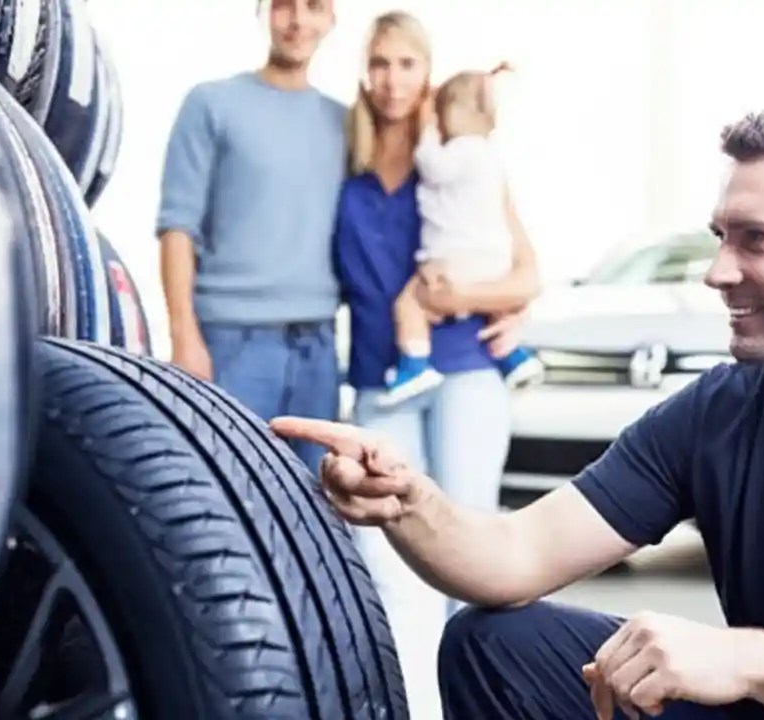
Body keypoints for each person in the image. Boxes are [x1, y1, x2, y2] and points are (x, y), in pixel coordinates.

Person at [273, 97, 764, 720]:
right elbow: (515, 555)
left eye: (756, 240)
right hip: (761, 710)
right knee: (494, 642)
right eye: (720, 235)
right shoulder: (718, 411)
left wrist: (746, 660)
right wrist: (411, 503)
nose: (718, 271)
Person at [328, 10, 541, 717]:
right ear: (365, 70)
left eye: (406, 64)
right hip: (382, 383)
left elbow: (524, 272)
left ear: (427, 72)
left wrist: (480, 299)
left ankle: (478, 702)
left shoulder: (459, 156)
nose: (392, 79)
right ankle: (412, 705)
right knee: (390, 567)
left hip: (464, 370)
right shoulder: (344, 161)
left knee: (471, 545)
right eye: (380, 63)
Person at [155, 0, 344, 472]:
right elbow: (178, 226)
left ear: (331, 18)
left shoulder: (347, 122)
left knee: (315, 515)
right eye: (284, 6)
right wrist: (184, 337)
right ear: (262, 12)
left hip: (317, 348)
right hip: (230, 344)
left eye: (313, 6)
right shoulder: (211, 103)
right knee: (226, 496)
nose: (298, 21)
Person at [379, 63, 544, 407]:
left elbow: (432, 165)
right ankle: (514, 356)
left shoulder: (461, 150)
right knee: (496, 314)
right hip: (491, 259)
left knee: (409, 305)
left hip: (454, 261)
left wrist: (427, 129)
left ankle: (414, 364)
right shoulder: (490, 158)